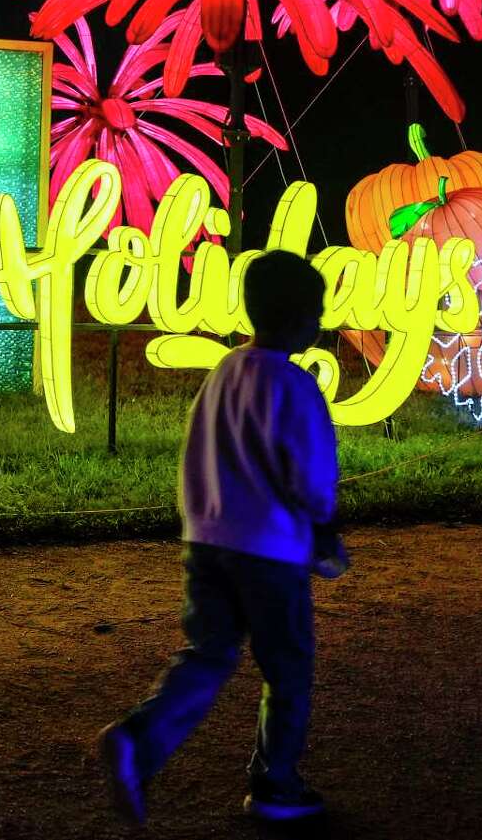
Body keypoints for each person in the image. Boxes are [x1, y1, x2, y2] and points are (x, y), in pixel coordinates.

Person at [98, 250, 339, 825]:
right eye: (318, 310)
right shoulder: (296, 386)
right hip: (271, 551)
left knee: (207, 653)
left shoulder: (225, 370)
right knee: (288, 669)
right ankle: (275, 783)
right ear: (300, 316)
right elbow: (311, 474)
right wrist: (325, 533)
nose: (322, 321)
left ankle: (138, 735)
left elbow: (198, 449)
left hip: (207, 541)